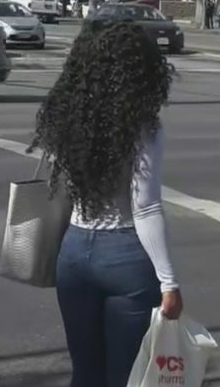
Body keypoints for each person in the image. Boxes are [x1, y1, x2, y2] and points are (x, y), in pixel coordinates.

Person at [29, 21, 181, 387]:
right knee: (126, 375)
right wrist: (169, 282)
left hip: (74, 251)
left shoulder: (66, 118)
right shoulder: (143, 125)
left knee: (85, 371)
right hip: (126, 253)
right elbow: (144, 207)